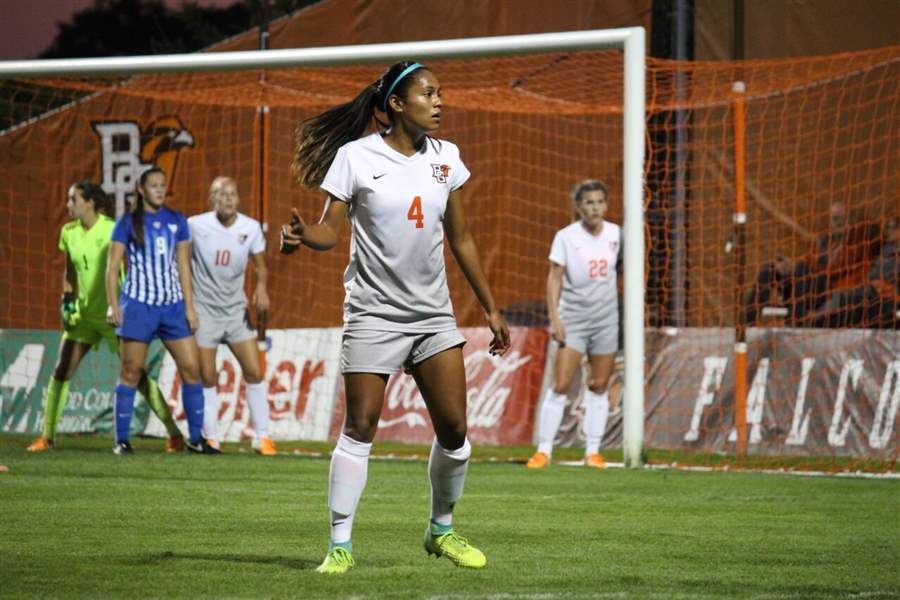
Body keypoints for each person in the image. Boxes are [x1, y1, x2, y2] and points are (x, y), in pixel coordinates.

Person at [280, 60, 511, 574]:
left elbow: (463, 238)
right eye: (429, 94)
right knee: (360, 424)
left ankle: (440, 530)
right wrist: (301, 236)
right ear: (397, 105)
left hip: (432, 315)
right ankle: (340, 545)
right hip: (373, 313)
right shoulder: (355, 157)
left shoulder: (447, 158)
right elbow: (328, 232)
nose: (439, 102)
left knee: (455, 430)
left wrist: (491, 308)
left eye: (440, 93)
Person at [27, 181, 184, 452]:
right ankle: (47, 437)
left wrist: (120, 305)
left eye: (72, 199)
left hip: (115, 316)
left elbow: (129, 269)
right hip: (85, 317)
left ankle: (174, 433)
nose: (68, 205)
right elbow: (71, 273)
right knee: (61, 370)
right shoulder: (68, 233)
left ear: (89, 203)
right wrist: (66, 301)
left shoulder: (113, 228)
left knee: (138, 376)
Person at [105, 167, 217, 455]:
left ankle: (195, 439)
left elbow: (183, 265)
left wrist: (190, 308)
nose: (159, 189)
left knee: (192, 369)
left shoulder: (177, 219)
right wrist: (114, 304)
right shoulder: (128, 222)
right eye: (153, 185)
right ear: (141, 190)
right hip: (138, 306)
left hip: (172, 307)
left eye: (162, 185)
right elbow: (112, 266)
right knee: (131, 371)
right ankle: (122, 440)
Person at [526, 180, 621, 470]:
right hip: (574, 318)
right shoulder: (566, 236)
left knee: (600, 384)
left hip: (606, 317)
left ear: (606, 204)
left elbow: (627, 272)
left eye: (599, 202)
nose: (595, 208)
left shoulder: (617, 234)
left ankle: (593, 451)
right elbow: (555, 277)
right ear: (579, 207)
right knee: (562, 383)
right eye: (589, 203)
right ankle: (544, 451)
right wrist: (555, 317)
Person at [189, 176, 274, 455]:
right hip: (204, 312)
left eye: (232, 193)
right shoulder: (195, 225)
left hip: (236, 313)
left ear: (238, 199)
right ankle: (210, 437)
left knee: (254, 372)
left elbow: (261, 266)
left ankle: (262, 437)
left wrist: (261, 286)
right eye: (221, 193)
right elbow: (180, 261)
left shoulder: (249, 228)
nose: (227, 198)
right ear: (211, 199)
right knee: (208, 377)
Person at [743, 202, 872, 325]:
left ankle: (799, 323)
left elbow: (841, 270)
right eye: (834, 219)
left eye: (841, 219)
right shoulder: (825, 242)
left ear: (850, 220)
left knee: (800, 272)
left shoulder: (858, 243)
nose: (838, 223)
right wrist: (789, 266)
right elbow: (808, 260)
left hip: (831, 292)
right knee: (770, 269)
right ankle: (748, 323)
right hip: (811, 284)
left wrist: (798, 268)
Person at [810, 217, 899, 328]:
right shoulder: (884, 248)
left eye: (893, 228)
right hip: (871, 288)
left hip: (883, 292)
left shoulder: (892, 252)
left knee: (843, 296)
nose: (889, 231)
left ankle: (815, 320)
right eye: (888, 228)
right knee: (841, 296)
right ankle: (816, 320)